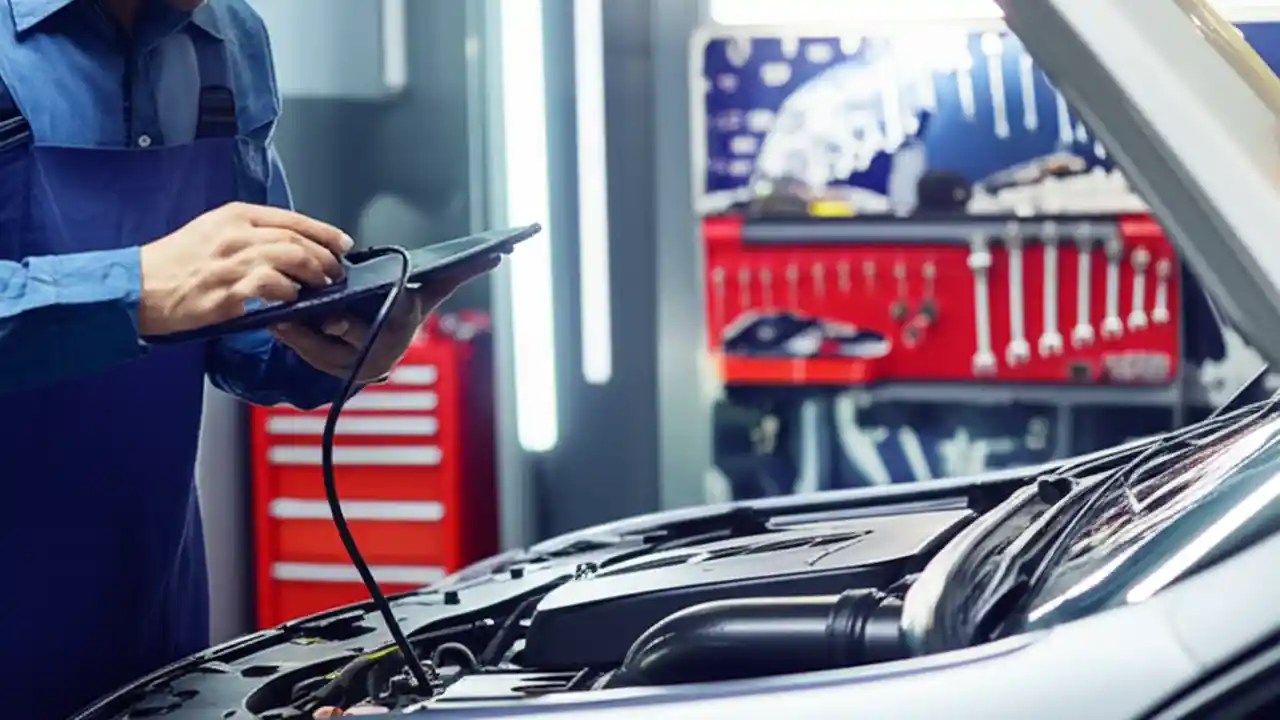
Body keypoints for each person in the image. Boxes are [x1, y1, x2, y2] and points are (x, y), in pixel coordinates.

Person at [0, 1, 495, 717]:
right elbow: (163, 291)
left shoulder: (228, 36)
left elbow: (244, 336)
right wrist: (137, 288)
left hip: (151, 633)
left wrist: (348, 345)